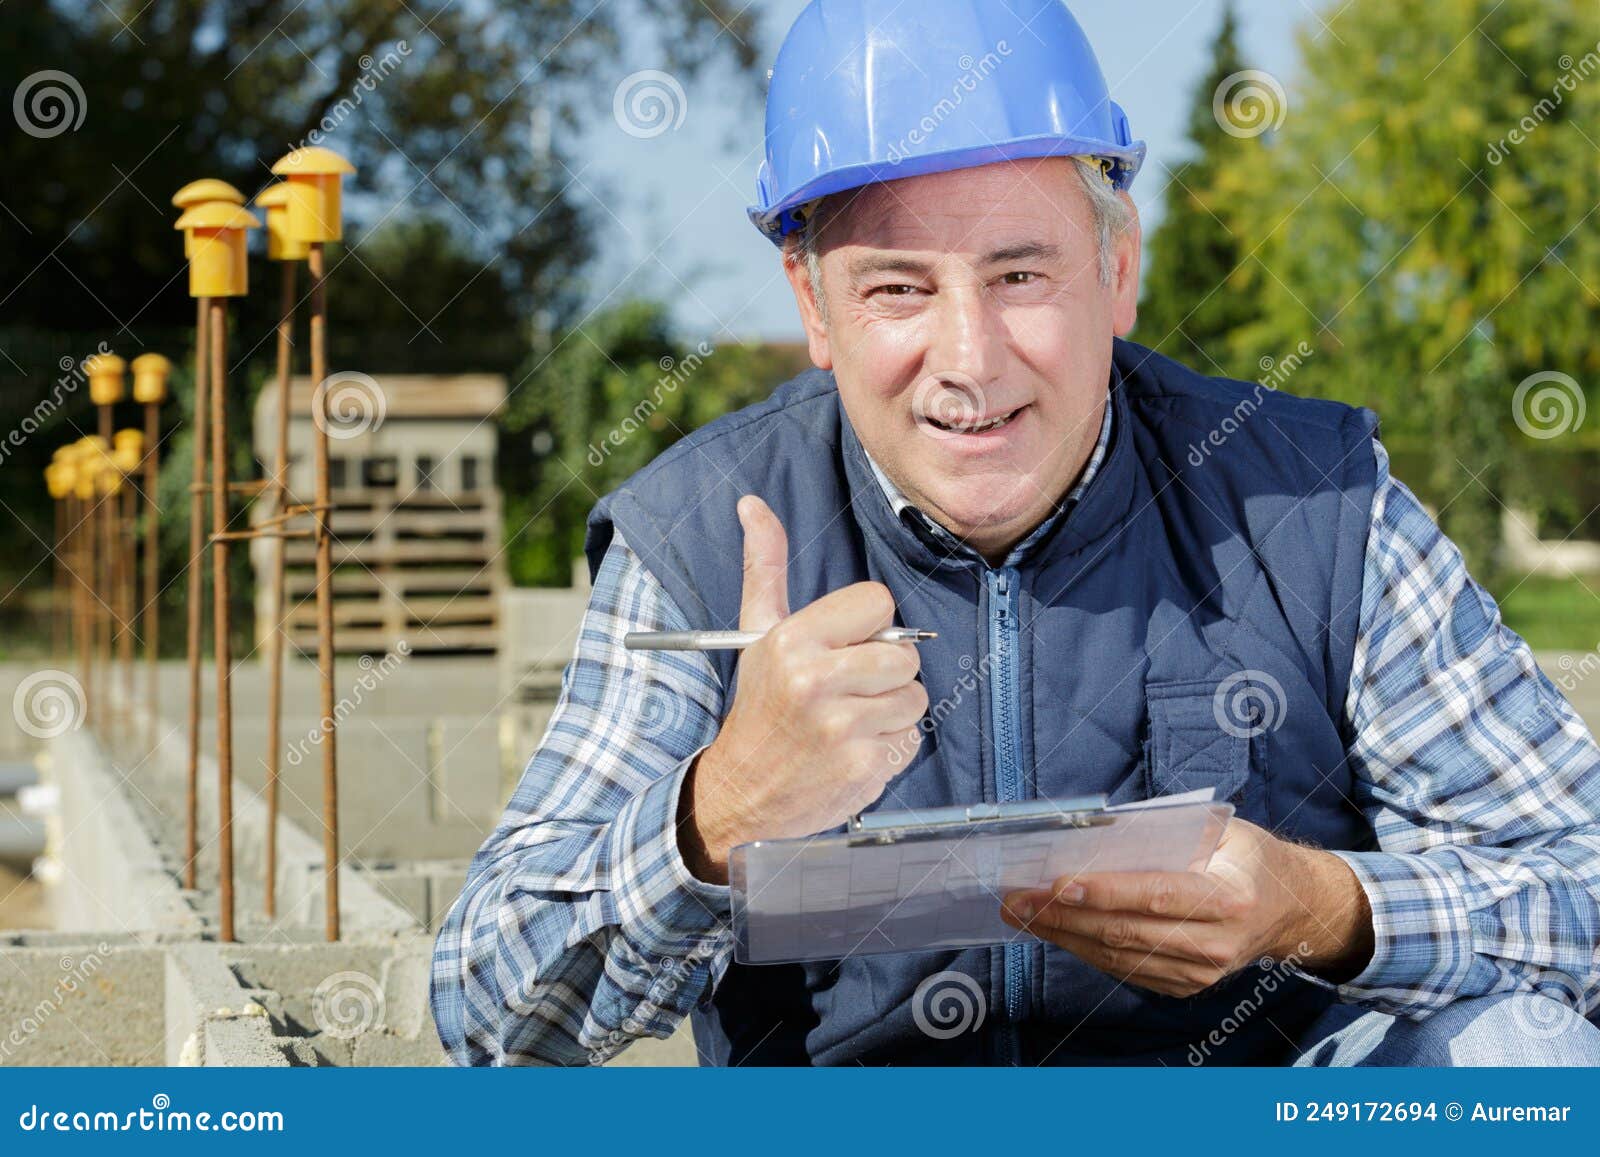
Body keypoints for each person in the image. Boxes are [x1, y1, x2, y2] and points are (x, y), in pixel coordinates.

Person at [431, 0, 1600, 1066]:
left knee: (1523, 1050)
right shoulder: (703, 536)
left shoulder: (1313, 506)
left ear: (1118, 267)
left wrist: (1322, 906)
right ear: (812, 306)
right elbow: (486, 1010)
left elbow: (1578, 888)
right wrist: (719, 810)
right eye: (896, 287)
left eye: (1020, 272)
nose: (970, 358)